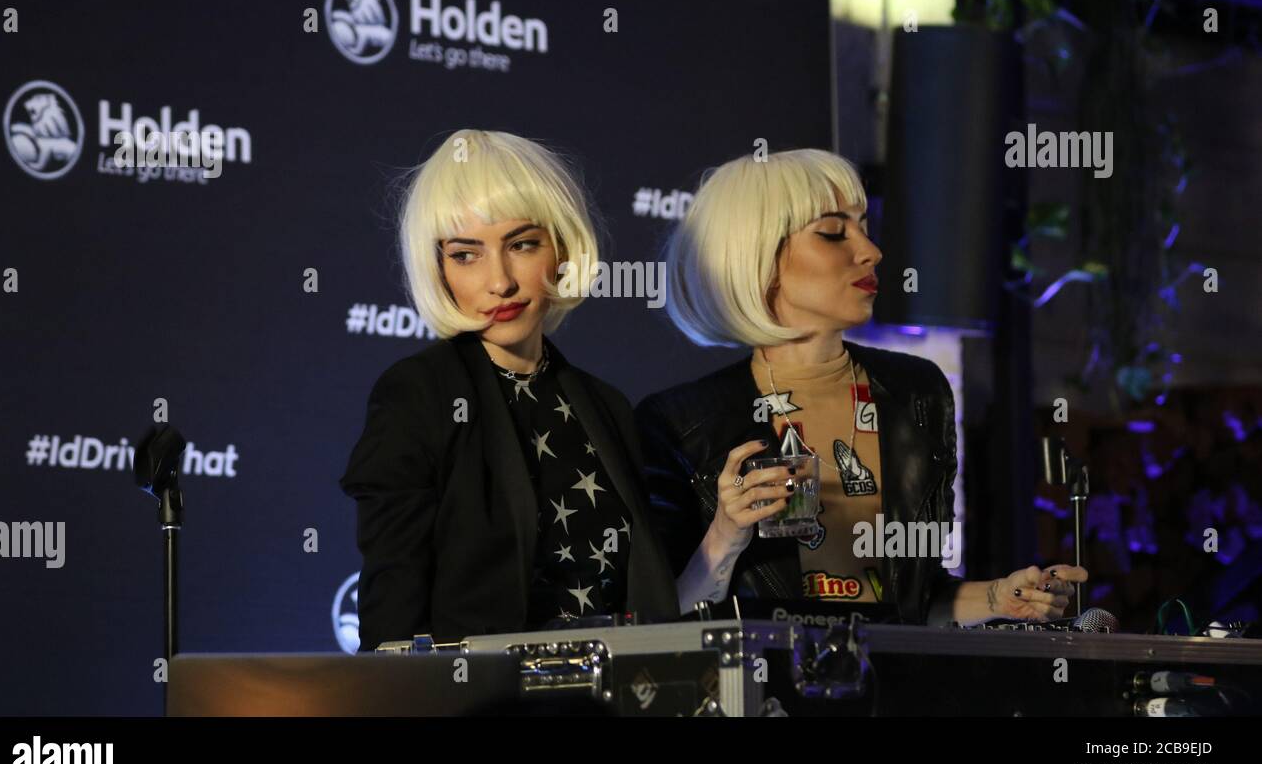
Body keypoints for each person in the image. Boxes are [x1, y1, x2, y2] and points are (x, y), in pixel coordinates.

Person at [637, 148, 1088, 624]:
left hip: (894, 690)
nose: (870, 251)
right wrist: (725, 534)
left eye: (863, 226)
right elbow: (660, 619)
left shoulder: (916, 391)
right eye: (833, 233)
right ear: (758, 256)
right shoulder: (681, 422)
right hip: (761, 689)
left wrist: (1000, 598)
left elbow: (916, 601)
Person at [339, 130, 678, 650]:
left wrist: (724, 536)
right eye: (466, 254)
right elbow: (393, 619)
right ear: (438, 269)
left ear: (562, 248)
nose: (501, 281)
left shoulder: (606, 406)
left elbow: (651, 605)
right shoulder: (417, 395)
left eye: (521, 245)